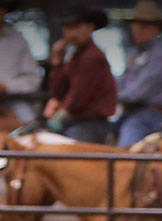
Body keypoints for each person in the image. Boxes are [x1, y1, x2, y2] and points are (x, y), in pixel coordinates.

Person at [45, 4, 118, 144]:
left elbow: (79, 94)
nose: (72, 34)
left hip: (90, 124)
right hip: (75, 121)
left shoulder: (92, 56)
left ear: (90, 28)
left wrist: (61, 112)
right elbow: (58, 91)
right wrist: (57, 63)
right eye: (68, 28)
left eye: (77, 27)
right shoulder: (75, 56)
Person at [116, 0, 162, 149]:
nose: (138, 30)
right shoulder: (134, 53)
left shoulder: (159, 57)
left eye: (144, 26)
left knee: (123, 153)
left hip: (150, 114)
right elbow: (123, 81)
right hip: (133, 112)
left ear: (155, 29)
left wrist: (109, 96)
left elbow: (137, 93)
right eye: (136, 25)